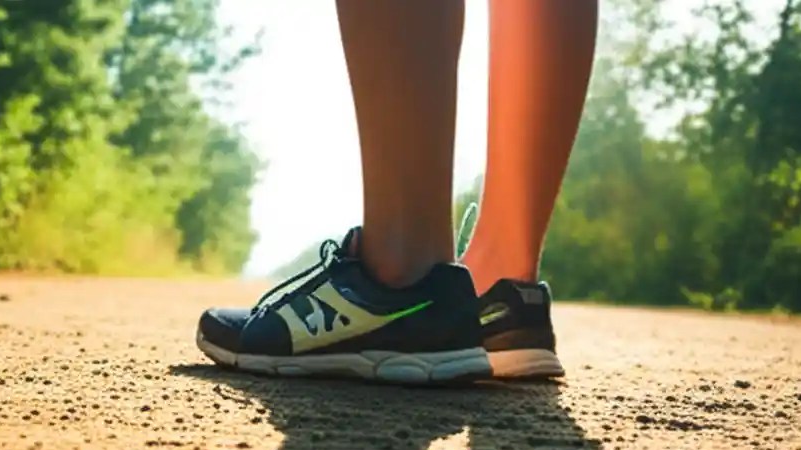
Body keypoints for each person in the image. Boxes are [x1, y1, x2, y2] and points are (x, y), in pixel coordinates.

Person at [198, 0, 598, 384]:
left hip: (409, 290)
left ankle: (403, 272)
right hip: (502, 306)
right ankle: (503, 296)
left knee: (407, 270)